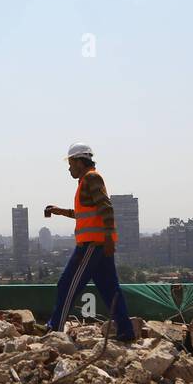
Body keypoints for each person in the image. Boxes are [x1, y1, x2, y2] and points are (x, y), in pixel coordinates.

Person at [43, 143, 135, 341]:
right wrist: (62, 211)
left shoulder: (91, 178)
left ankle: (55, 328)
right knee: (110, 290)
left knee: (67, 285)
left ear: (78, 161)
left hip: (92, 245)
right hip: (98, 245)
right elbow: (87, 214)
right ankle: (126, 332)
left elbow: (106, 208)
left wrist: (109, 237)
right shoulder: (86, 181)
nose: (69, 168)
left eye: (70, 163)